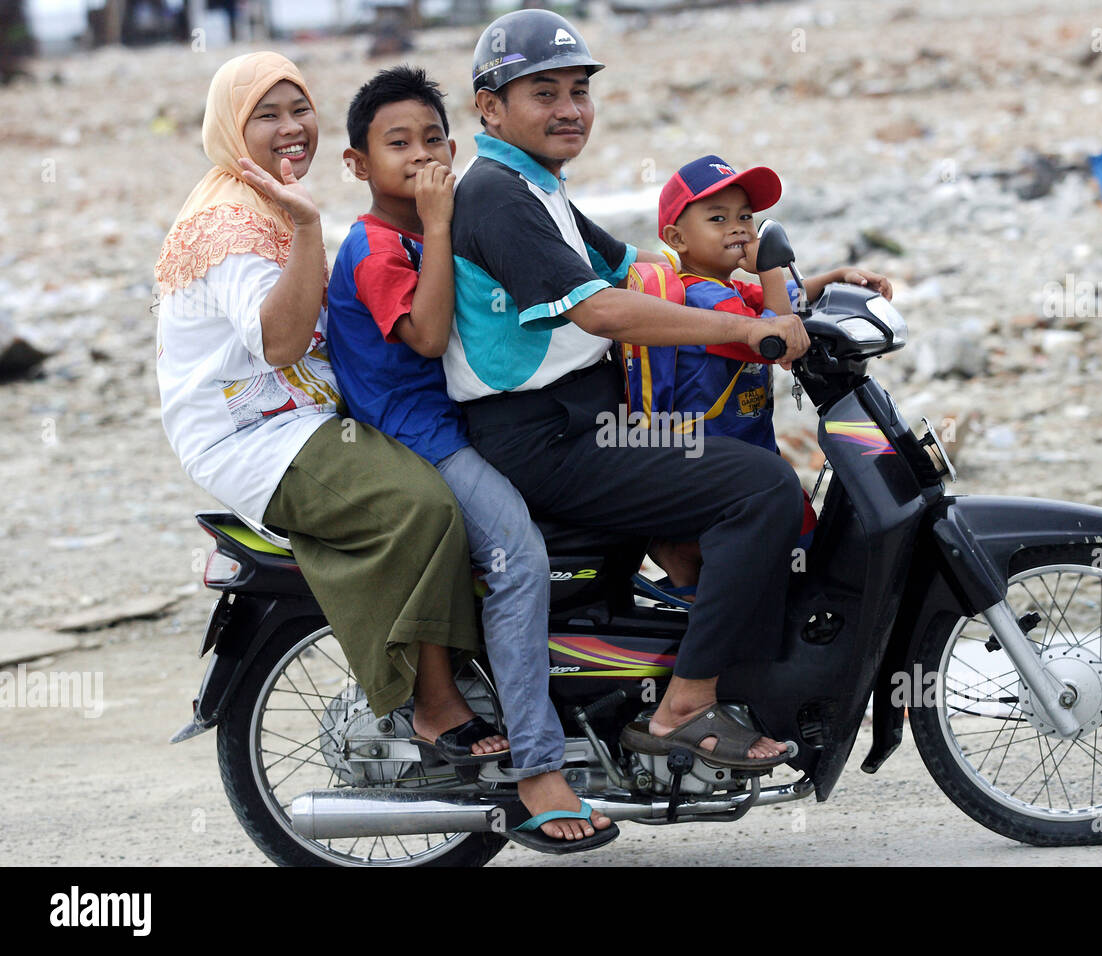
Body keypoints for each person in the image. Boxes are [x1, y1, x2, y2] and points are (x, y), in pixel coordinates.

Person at [446, 9, 811, 770]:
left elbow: (646, 268)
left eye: (579, 90)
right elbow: (602, 307)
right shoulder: (495, 195)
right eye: (543, 93)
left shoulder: (536, 187)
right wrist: (746, 333)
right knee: (762, 488)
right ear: (490, 107)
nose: (570, 109)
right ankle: (687, 706)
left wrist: (809, 290)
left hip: (585, 416)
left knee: (722, 469)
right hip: (544, 436)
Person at [154, 52, 507, 786]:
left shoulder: (267, 199)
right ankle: (433, 703)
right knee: (418, 505)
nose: (291, 129)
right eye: (267, 115)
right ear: (229, 126)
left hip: (309, 414)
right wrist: (313, 228)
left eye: (300, 109)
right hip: (252, 435)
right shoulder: (227, 220)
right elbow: (279, 342)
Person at [325, 65, 614, 852]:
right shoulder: (376, 244)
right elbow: (423, 336)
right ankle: (537, 763)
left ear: (455, 146)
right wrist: (442, 220)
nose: (419, 156)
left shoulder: (433, 224)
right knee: (518, 558)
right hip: (424, 437)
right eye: (397, 144)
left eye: (431, 140)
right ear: (357, 165)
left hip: (474, 421)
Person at [623, 155, 895, 589]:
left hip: (745, 449)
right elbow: (775, 331)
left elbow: (786, 297)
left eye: (746, 217)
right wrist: (769, 260)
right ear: (677, 238)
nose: (739, 228)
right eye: (718, 218)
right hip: (712, 460)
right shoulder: (700, 301)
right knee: (794, 525)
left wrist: (838, 277)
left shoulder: (726, 288)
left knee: (796, 517)